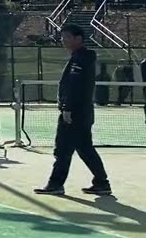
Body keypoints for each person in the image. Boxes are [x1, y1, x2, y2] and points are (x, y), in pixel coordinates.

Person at [34, 23, 112, 197]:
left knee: (63, 149)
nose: (63, 40)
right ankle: (102, 182)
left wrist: (68, 108)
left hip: (75, 112)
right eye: (63, 37)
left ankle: (55, 184)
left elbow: (75, 86)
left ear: (78, 39)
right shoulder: (79, 57)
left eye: (67, 37)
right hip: (82, 112)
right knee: (85, 148)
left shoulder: (82, 58)